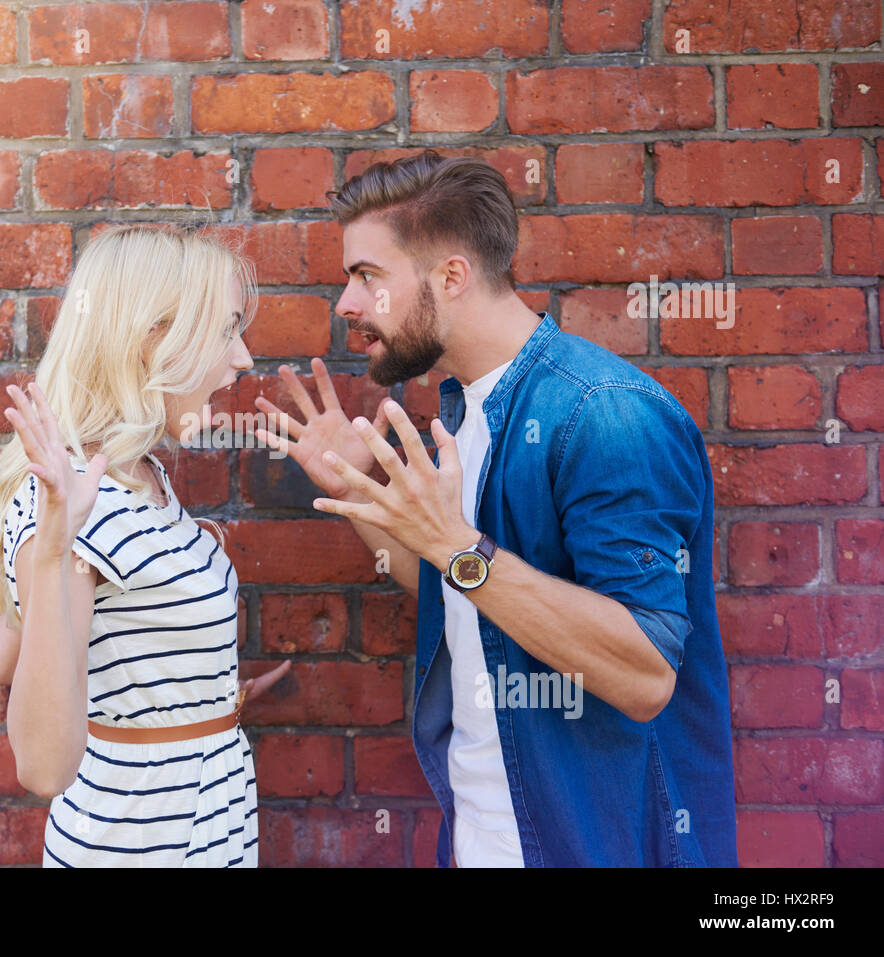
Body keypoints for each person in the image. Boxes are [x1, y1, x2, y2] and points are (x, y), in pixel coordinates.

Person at [255, 151, 738, 867]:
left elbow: (644, 674)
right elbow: (467, 600)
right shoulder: (467, 415)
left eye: (367, 276)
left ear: (452, 276)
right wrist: (358, 492)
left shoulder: (601, 414)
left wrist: (459, 549)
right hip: (489, 837)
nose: (346, 305)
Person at [0, 224, 289, 867]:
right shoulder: (75, 505)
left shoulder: (139, 479)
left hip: (192, 826)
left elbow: (8, 658)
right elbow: (43, 767)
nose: (243, 357)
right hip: (140, 844)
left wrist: (192, 688)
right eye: (225, 329)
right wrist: (49, 553)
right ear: (151, 340)